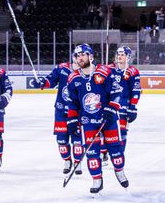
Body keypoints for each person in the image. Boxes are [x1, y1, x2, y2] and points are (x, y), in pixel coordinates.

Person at [65, 43, 127, 194]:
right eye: (77, 55)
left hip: (108, 119)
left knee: (116, 149)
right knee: (92, 153)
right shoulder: (73, 78)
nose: (80, 58)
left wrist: (112, 107)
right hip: (88, 121)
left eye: (83, 55)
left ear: (90, 56)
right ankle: (97, 179)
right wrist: (72, 120)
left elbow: (117, 91)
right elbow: (72, 102)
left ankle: (119, 171)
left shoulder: (104, 72)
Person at [35, 53, 82, 174]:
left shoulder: (86, 72)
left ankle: (78, 162)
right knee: (61, 139)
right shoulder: (62, 69)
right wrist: (42, 83)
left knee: (77, 139)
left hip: (78, 111)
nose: (79, 59)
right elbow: (51, 80)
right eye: (77, 57)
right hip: (61, 110)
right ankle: (67, 160)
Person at [113, 46, 142, 146]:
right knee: (107, 133)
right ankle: (104, 155)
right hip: (110, 107)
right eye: (118, 55)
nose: (119, 57)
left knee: (121, 133)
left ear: (128, 57)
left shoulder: (133, 72)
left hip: (124, 107)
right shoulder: (110, 69)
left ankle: (119, 154)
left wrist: (132, 107)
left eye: (122, 55)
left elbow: (136, 91)